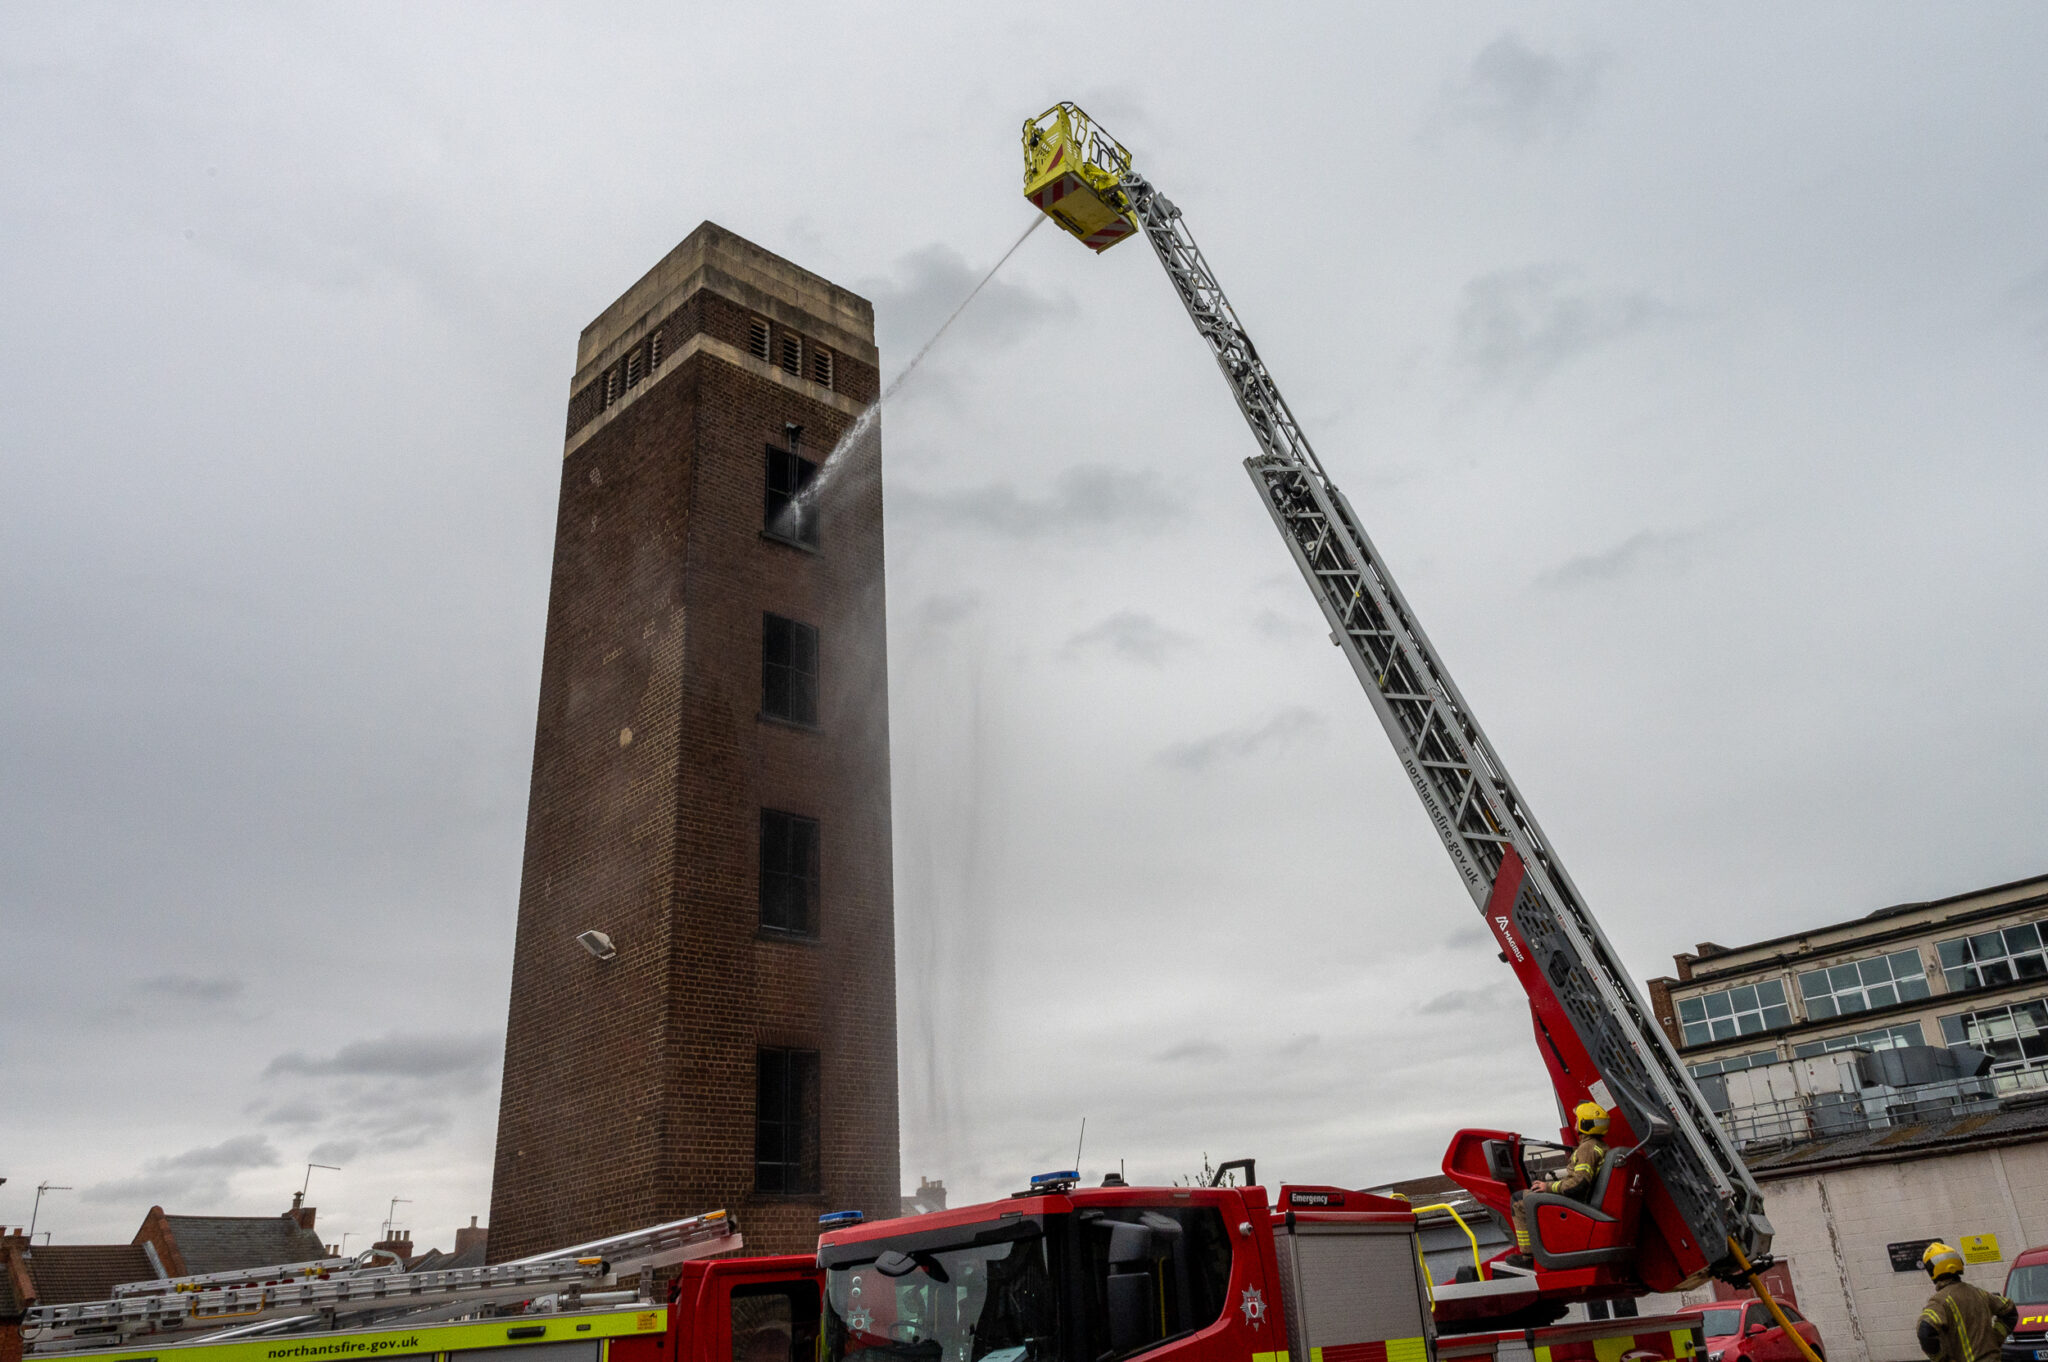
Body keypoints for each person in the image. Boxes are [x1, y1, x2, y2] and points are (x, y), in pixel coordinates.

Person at [1502, 1101, 1609, 1270]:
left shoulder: (1586, 1148)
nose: (1574, 1123)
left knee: (1519, 1200)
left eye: (1577, 1120)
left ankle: (1528, 1255)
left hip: (1577, 1202)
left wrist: (1548, 1187)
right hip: (1585, 1200)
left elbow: (1579, 1184)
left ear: (1583, 1124)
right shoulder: (1599, 1147)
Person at [1916, 1241, 2017, 1362]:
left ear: (1932, 1271)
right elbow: (2010, 1311)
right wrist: (1996, 1338)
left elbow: (1925, 1331)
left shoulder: (1940, 1301)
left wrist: (1941, 1358)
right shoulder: (1979, 1293)